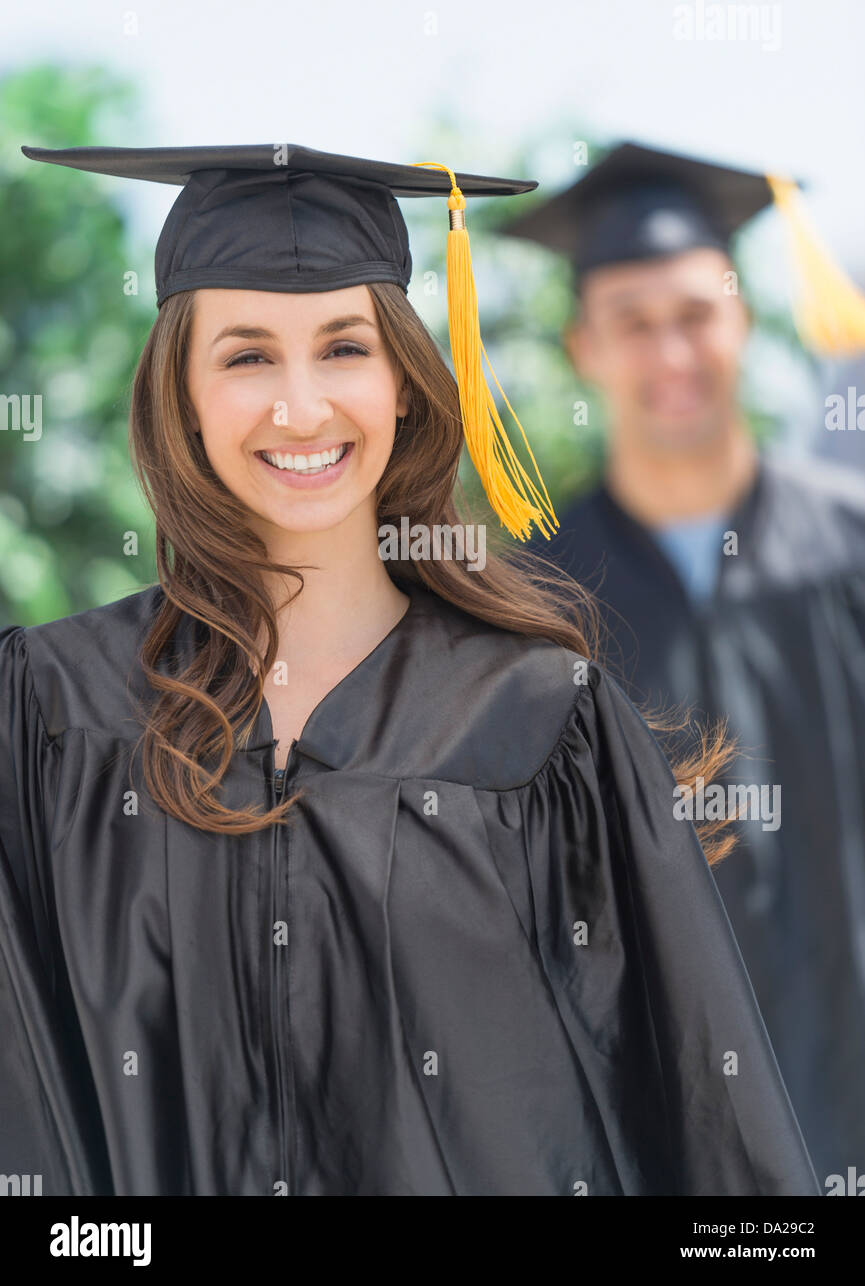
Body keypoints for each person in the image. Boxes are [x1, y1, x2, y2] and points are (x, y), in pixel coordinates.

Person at [0, 141, 818, 1197]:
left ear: (402, 383)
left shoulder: (537, 726)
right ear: (183, 395)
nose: (302, 407)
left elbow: (713, 1134)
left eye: (343, 347)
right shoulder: (55, 712)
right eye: (247, 356)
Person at [505, 139, 865, 1191]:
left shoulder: (850, 553)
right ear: (583, 347)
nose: (673, 354)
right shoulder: (532, 610)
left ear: (744, 320)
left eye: (696, 314)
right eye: (634, 323)